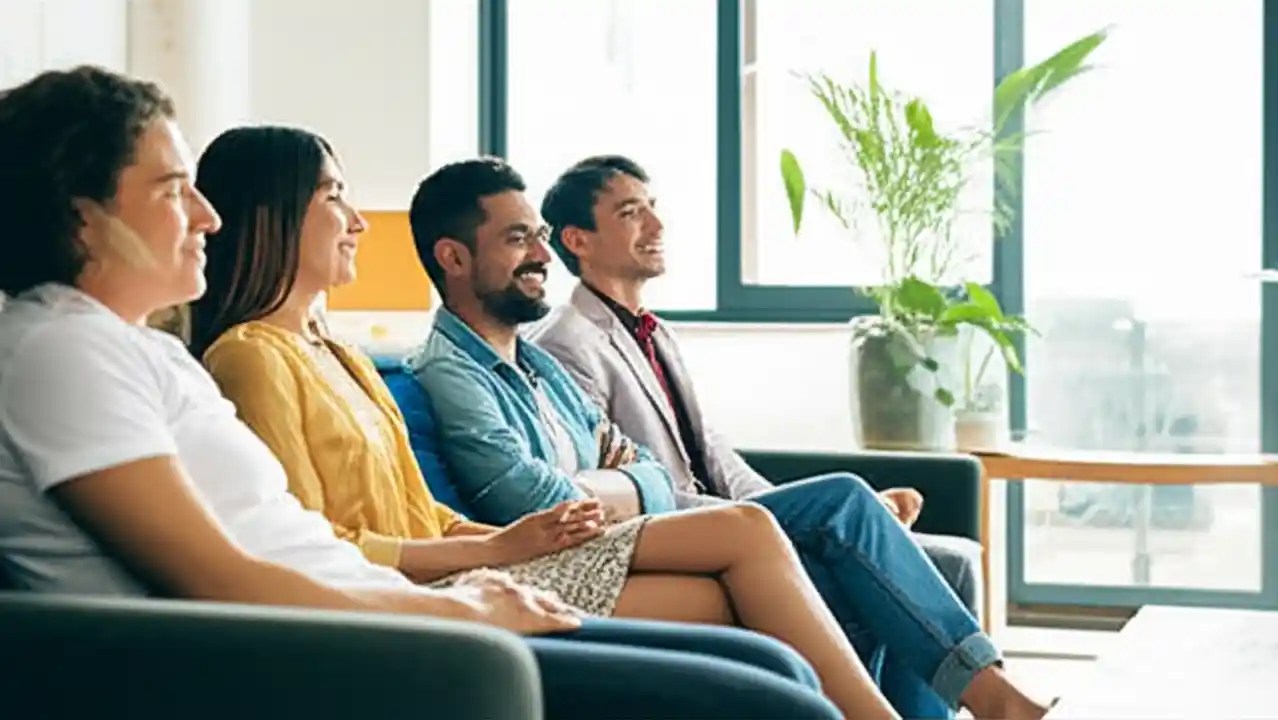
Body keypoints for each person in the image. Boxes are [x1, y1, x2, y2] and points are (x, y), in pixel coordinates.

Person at [0, 67, 847, 720]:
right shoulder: (61, 352)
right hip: (330, 651)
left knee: (778, 669)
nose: (207, 216)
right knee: (776, 699)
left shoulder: (137, 352)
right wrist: (458, 608)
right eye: (170, 189)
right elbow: (216, 577)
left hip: (375, 618)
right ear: (80, 215)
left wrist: (469, 582)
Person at [188, 126, 911, 720]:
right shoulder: (251, 358)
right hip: (413, 597)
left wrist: (496, 541)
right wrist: (499, 548)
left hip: (465, 562)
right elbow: (317, 545)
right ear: (273, 213)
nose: (354, 221)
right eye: (334, 196)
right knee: (748, 533)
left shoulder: (339, 355)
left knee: (725, 586)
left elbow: (422, 512)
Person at [407, 156, 1055, 720]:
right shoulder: (491, 361)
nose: (542, 255)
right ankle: (992, 698)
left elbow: (661, 465)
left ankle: (973, 700)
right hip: (612, 546)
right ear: (455, 257)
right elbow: (538, 500)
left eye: (539, 237)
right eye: (519, 238)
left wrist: (616, 484)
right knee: (844, 505)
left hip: (654, 524)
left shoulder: (536, 360)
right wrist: (628, 486)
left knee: (897, 543)